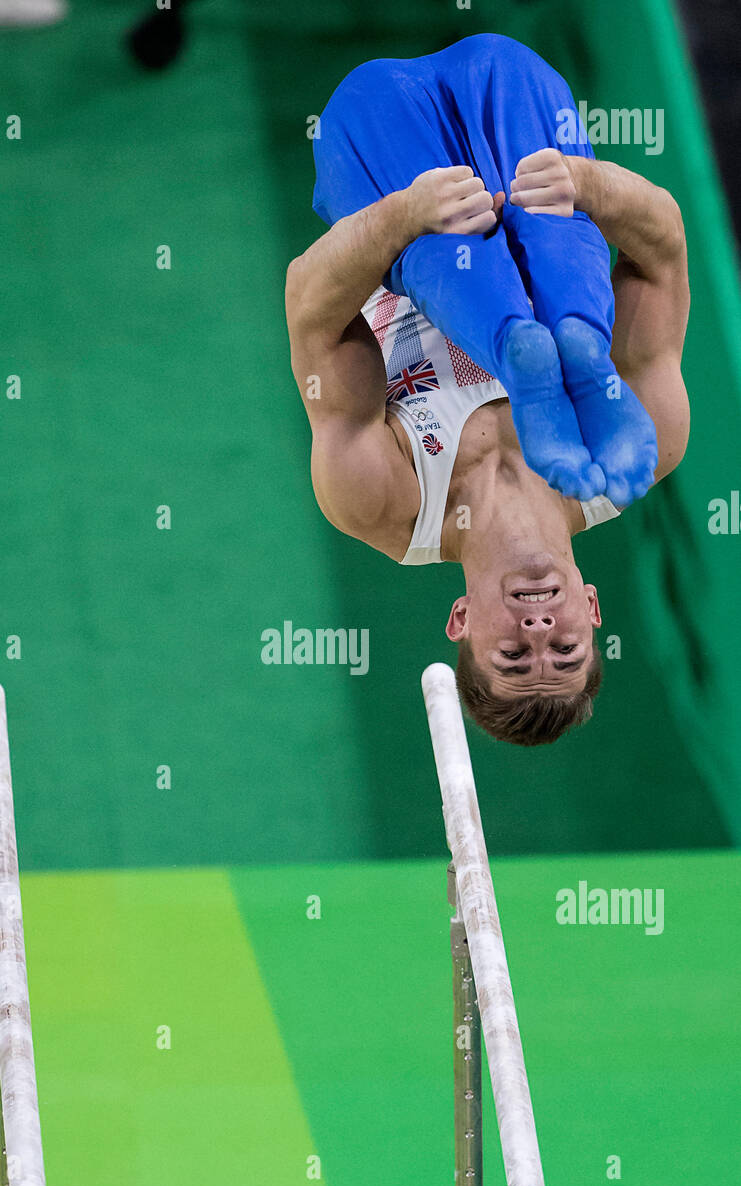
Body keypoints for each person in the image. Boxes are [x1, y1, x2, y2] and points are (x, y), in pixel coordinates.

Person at [285, 34, 690, 745]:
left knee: (451, 261)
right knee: (562, 262)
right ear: (592, 611)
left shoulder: (383, 501)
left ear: (461, 622)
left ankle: (516, 337)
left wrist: (403, 214)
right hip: (526, 151)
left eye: (512, 653)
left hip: (390, 168)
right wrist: (585, 182)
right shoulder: (639, 450)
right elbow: (661, 252)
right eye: (563, 649)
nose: (538, 629)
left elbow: (310, 310)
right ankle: (555, 340)